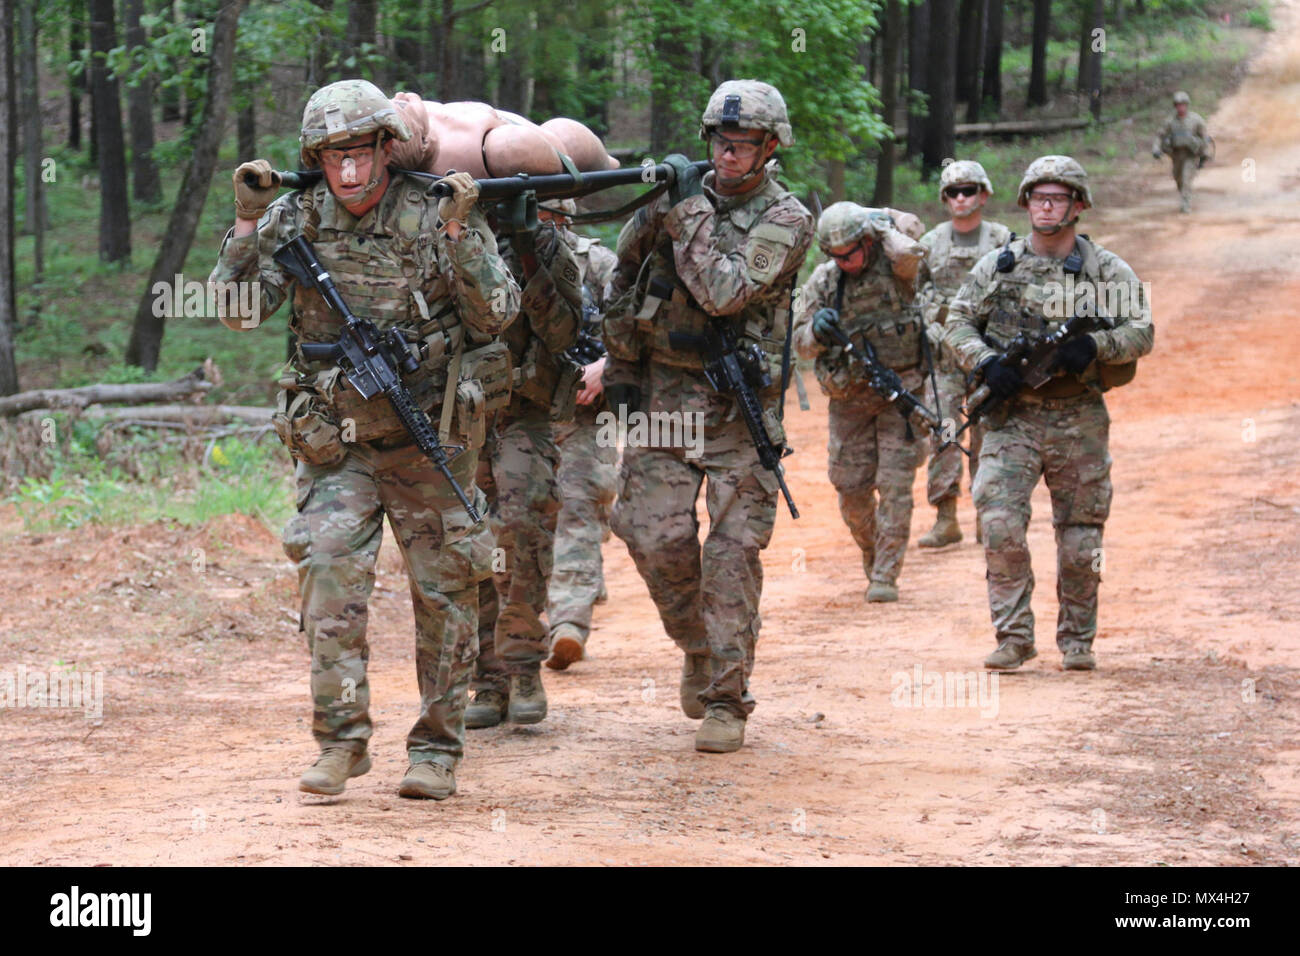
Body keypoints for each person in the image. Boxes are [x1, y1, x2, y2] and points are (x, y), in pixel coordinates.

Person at [209, 79, 519, 799]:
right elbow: (239, 313)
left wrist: (461, 234)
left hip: (429, 440)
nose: (349, 173)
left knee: (445, 595)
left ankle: (437, 749)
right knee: (327, 581)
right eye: (333, 157)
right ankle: (342, 741)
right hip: (334, 444)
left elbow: (498, 312)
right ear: (317, 158)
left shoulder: (432, 209)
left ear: (386, 148)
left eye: (360, 154)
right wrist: (247, 226)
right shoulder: (299, 217)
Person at [602, 79, 813, 753]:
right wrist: (621, 369)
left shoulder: (787, 220)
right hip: (664, 400)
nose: (727, 156)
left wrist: (687, 207)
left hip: (734, 415)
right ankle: (695, 644)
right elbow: (622, 278)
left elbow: (724, 293)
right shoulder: (672, 202)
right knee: (649, 534)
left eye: (743, 145)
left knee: (730, 556)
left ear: (770, 149)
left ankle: (728, 695)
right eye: (720, 143)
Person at [944, 156, 1153, 671]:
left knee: (1081, 537)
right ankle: (1014, 637)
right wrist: (987, 362)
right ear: (1025, 203)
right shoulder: (999, 265)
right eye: (1039, 197)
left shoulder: (1105, 268)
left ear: (1078, 206)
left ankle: (1078, 640)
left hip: (1077, 417)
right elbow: (957, 321)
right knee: (998, 525)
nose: (1046, 206)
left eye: (1057, 198)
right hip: (1010, 418)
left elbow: (1142, 331)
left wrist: (1098, 346)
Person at [464, 194, 584, 729]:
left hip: (523, 411)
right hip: (459, 416)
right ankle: (486, 678)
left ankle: (522, 664)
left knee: (521, 532)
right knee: (468, 544)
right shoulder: (441, 238)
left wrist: (529, 252)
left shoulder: (548, 248)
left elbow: (563, 333)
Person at [793, 202, 929, 604]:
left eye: (852, 252)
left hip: (899, 394)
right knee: (851, 490)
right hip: (848, 397)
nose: (846, 262)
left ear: (868, 243)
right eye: (836, 256)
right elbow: (798, 341)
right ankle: (871, 547)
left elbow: (913, 252)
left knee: (895, 486)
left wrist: (882, 226)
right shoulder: (823, 281)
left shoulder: (897, 268)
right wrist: (817, 331)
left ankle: (886, 573)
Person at [916, 160, 1011, 547]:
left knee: (989, 435)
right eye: (953, 192)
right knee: (944, 431)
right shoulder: (930, 244)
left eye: (968, 190)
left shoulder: (1002, 240)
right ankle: (945, 516)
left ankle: (986, 516)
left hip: (987, 358)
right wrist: (932, 323)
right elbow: (915, 295)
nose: (960, 198)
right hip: (944, 360)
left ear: (983, 194)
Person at [544, 200, 621, 671]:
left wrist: (606, 366)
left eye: (550, 215)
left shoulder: (599, 265)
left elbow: (633, 327)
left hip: (584, 414)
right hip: (521, 412)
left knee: (577, 505)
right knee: (520, 519)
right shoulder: (501, 257)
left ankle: (568, 622)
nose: (542, 224)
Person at [1151, 91, 1210, 213]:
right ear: (1175, 106)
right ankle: (1184, 196)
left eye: (1183, 104)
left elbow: (1204, 137)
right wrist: (1156, 149)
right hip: (1176, 155)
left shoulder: (1196, 120)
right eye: (1178, 105)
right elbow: (1160, 135)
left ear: (1187, 105)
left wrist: (1204, 154)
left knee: (1186, 178)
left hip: (1190, 155)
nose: (1180, 107)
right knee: (1178, 179)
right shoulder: (1170, 121)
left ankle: (1185, 205)